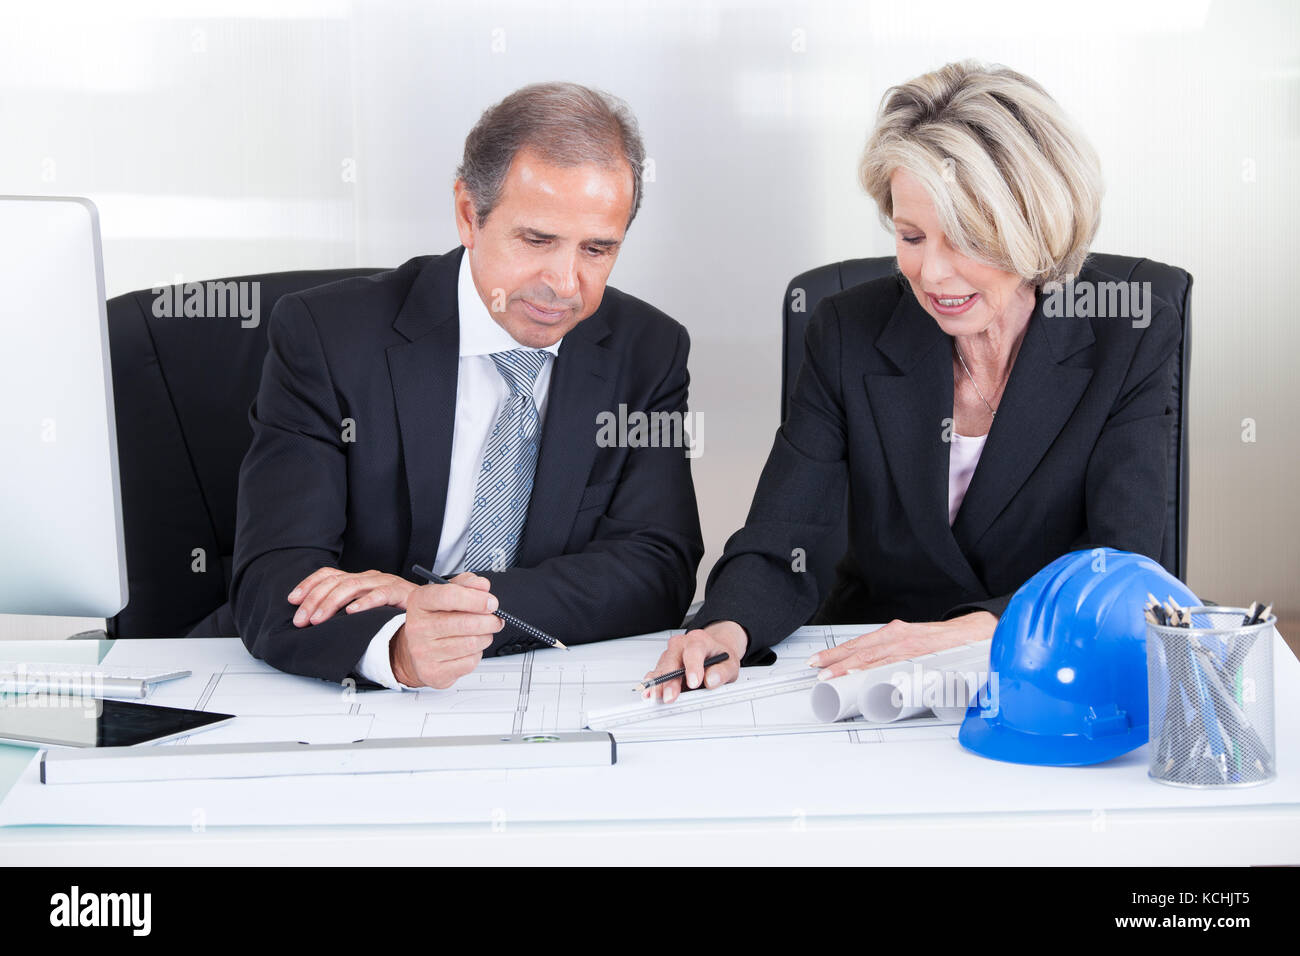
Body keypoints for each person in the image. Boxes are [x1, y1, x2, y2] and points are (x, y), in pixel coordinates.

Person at [646, 60, 1182, 701]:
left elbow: (1122, 562)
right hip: (866, 675)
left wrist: (983, 628)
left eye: (964, 240)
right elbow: (789, 533)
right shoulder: (847, 328)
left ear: (1033, 228)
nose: (930, 273)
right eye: (910, 235)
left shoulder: (1130, 330)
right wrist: (727, 625)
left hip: (1051, 671)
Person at [230, 82, 703, 689]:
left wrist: (440, 605)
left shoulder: (649, 351)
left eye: (597, 249)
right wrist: (397, 644)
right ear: (468, 215)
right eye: (537, 240)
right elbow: (274, 574)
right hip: (352, 701)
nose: (564, 283)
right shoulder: (326, 337)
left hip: (542, 684)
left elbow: (656, 569)